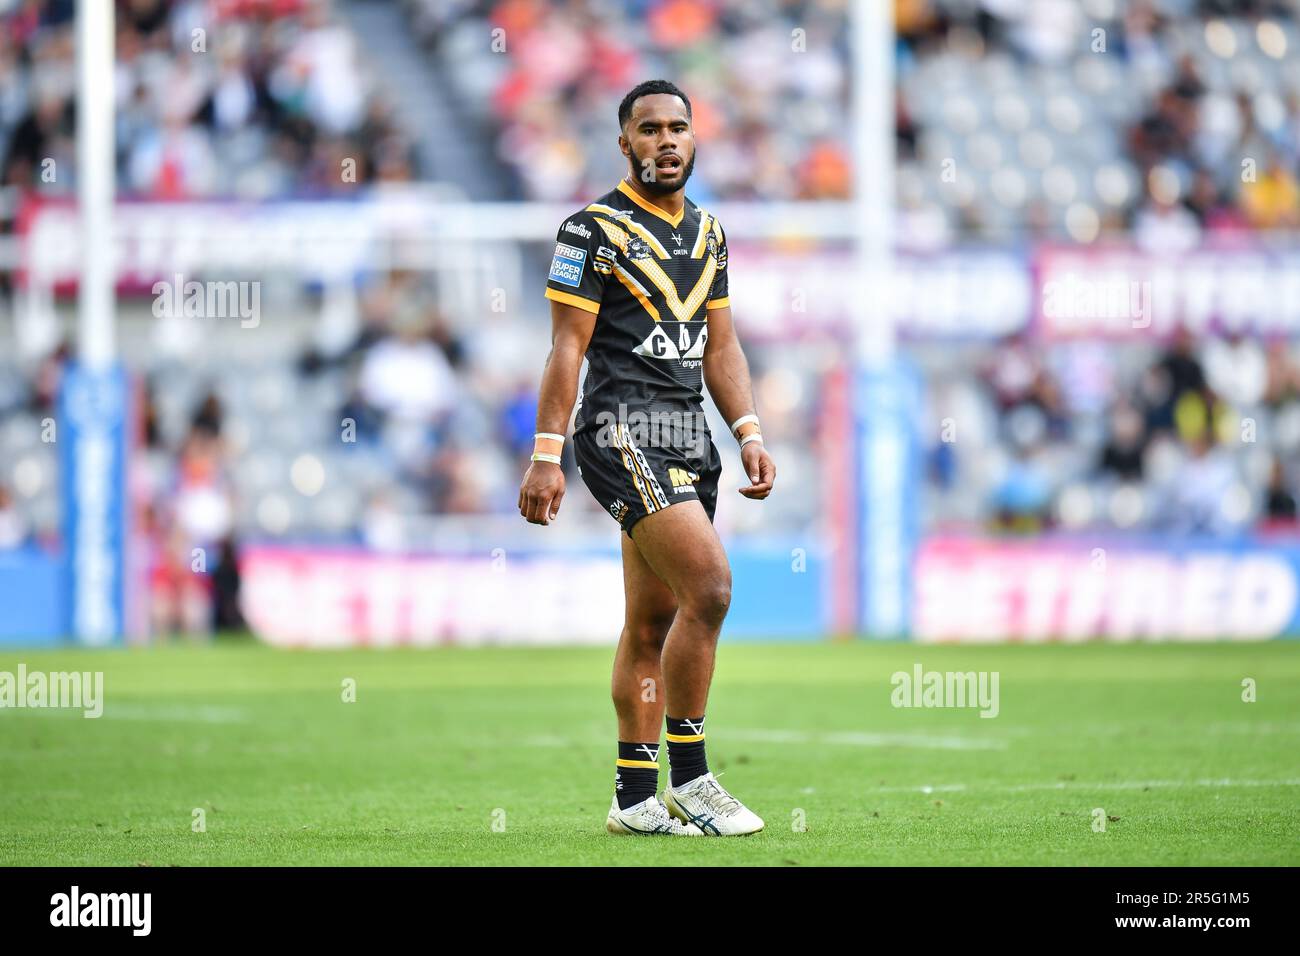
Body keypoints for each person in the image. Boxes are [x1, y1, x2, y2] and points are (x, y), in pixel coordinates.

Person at [517, 80, 775, 836]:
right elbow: (567, 346)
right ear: (624, 143)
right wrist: (545, 455)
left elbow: (720, 345)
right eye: (649, 128)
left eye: (678, 128)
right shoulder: (589, 230)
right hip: (621, 428)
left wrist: (750, 430)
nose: (666, 140)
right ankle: (692, 780)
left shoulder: (710, 234)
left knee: (651, 622)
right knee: (713, 588)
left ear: (694, 139)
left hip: (690, 434)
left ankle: (634, 797)